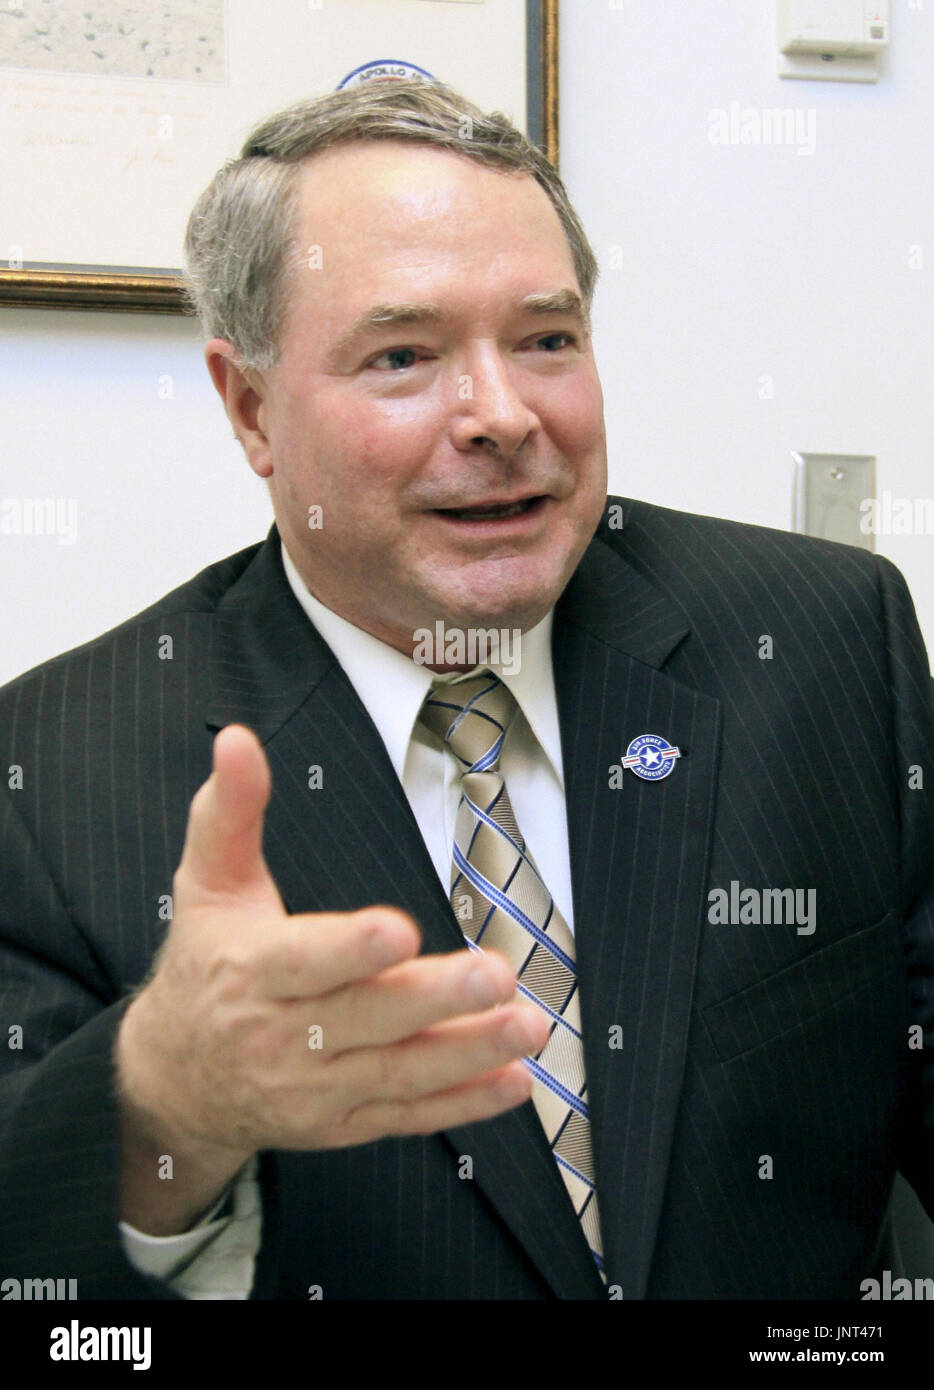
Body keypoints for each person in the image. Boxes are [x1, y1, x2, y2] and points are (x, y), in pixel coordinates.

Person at [1, 79, 932, 1302]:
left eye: (547, 339)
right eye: (403, 355)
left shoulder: (820, 641)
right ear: (250, 407)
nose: (501, 415)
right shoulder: (52, 772)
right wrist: (165, 1106)